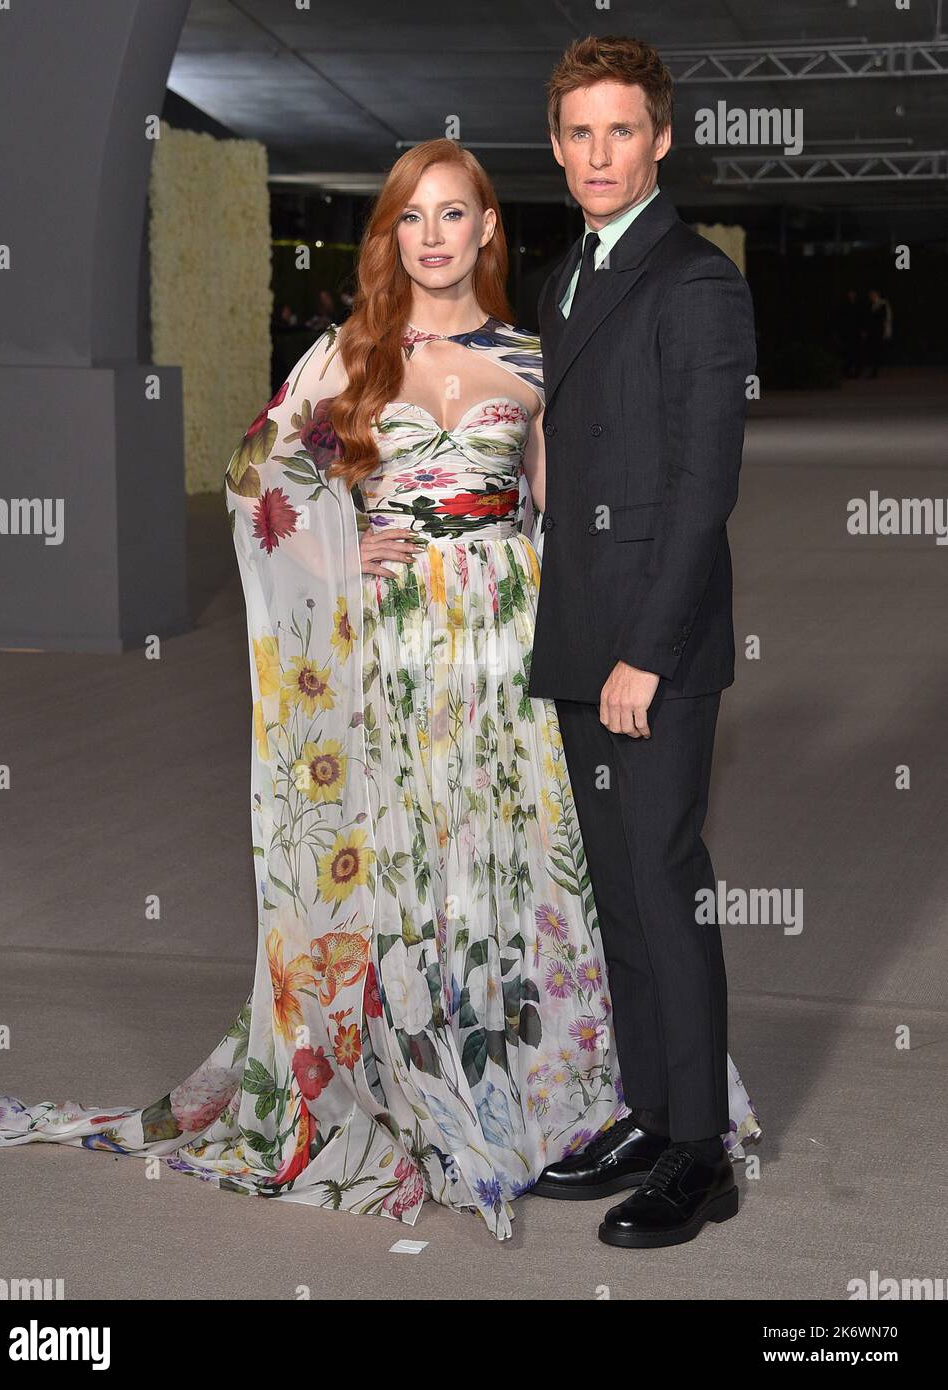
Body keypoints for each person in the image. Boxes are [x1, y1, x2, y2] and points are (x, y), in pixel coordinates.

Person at [0, 138, 760, 1242]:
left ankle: (563, 1089)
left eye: (452, 215)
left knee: (524, 860)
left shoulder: (536, 359)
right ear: (389, 238)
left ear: (486, 229)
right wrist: (344, 542)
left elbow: (558, 517)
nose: (430, 237)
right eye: (408, 219)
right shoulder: (346, 359)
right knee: (406, 858)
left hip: (509, 647)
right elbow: (257, 481)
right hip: (391, 653)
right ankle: (419, 1078)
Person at [528, 35, 761, 1248]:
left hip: (648, 645)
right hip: (577, 630)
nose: (597, 153)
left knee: (664, 882)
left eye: (621, 130)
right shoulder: (566, 274)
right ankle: (648, 1107)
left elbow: (699, 486)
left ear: (661, 139)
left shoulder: (696, 279)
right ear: (558, 143)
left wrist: (646, 654)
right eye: (578, 132)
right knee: (615, 888)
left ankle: (699, 1155)